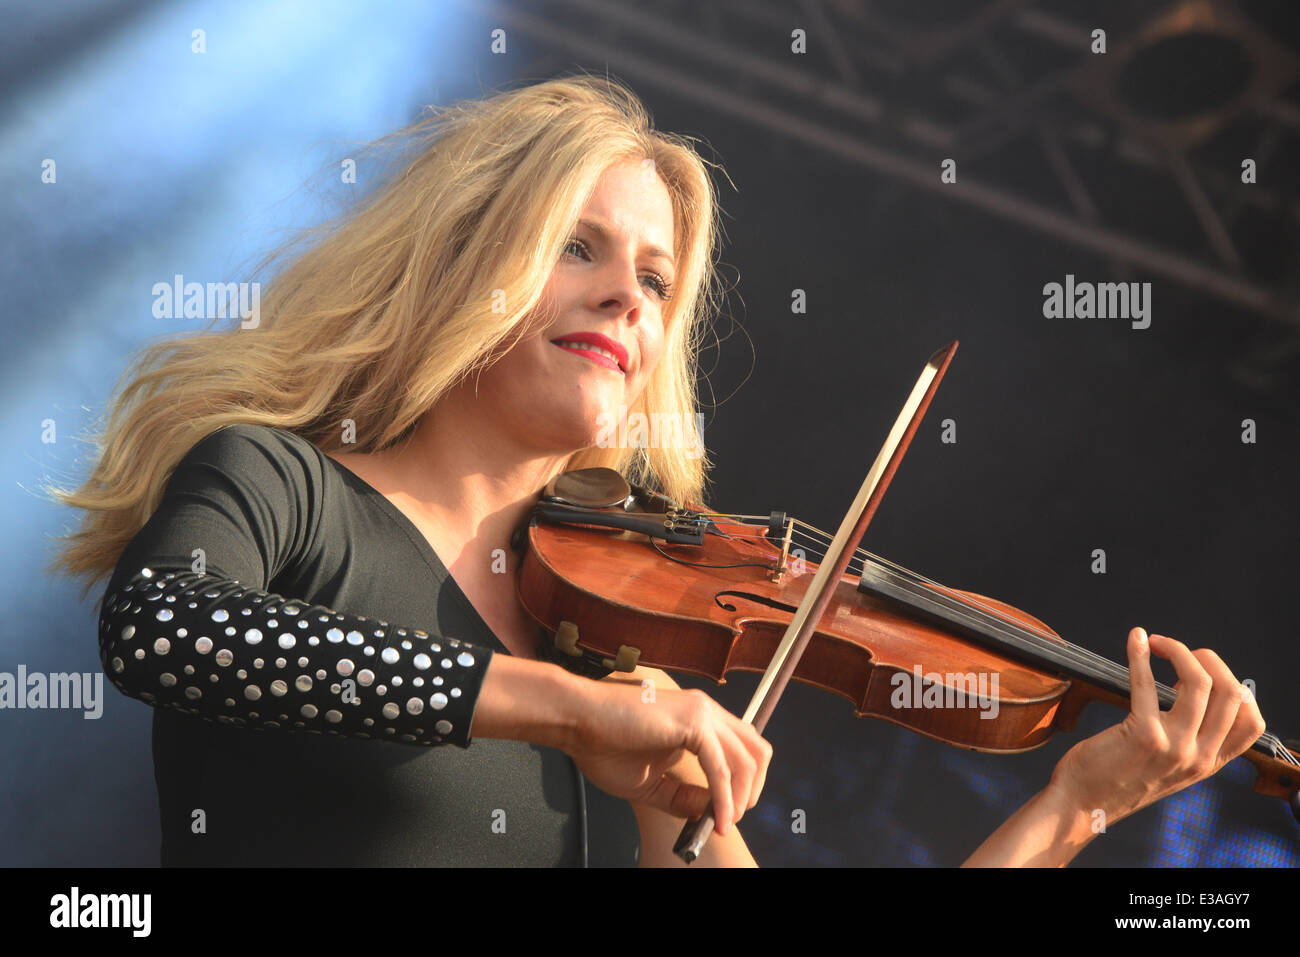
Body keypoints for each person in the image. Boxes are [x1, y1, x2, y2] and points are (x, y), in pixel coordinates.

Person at [49, 75, 1266, 868]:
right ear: (468, 259)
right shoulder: (281, 484)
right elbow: (171, 631)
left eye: (655, 281)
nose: (626, 298)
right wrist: (570, 713)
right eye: (576, 247)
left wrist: (1081, 805)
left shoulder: (613, 649)